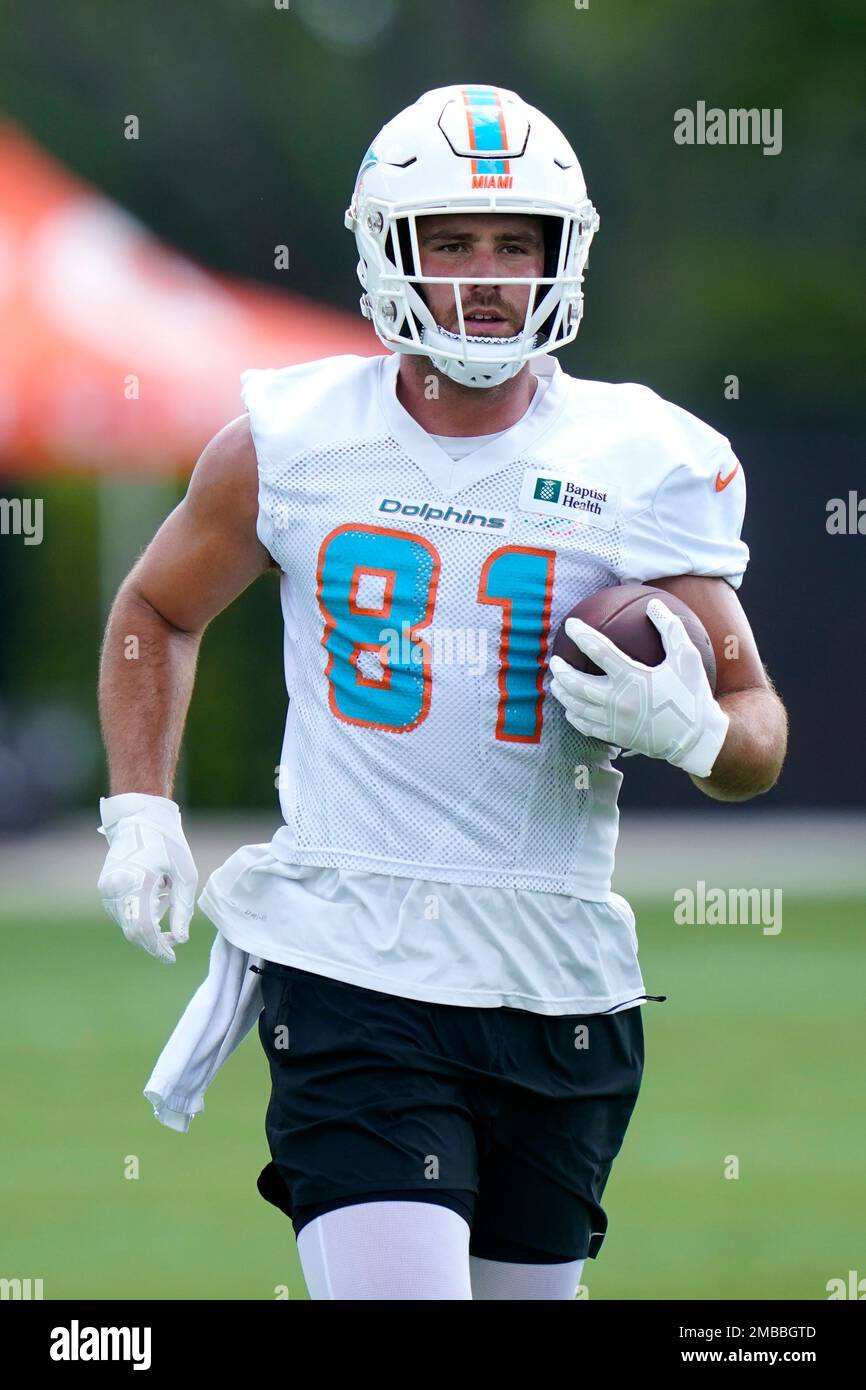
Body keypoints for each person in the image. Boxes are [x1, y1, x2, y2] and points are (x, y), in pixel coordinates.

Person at [96, 84, 788, 1301]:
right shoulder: (293, 436)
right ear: (386, 252)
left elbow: (757, 733)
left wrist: (693, 729)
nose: (483, 277)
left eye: (511, 243)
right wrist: (140, 807)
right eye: (449, 242)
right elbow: (156, 610)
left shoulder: (641, 458)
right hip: (351, 959)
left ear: (558, 257)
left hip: (554, 974)